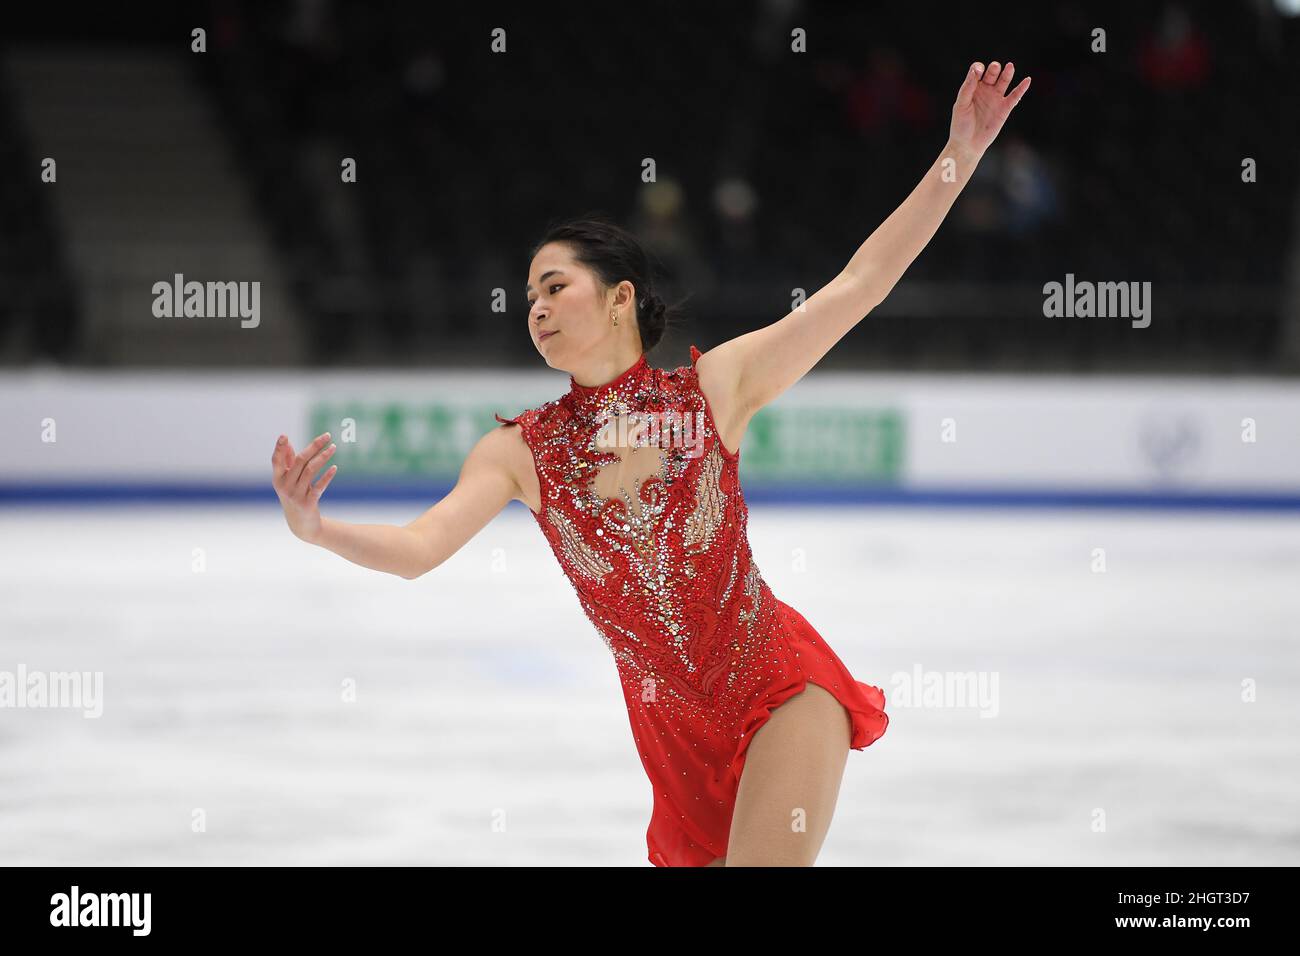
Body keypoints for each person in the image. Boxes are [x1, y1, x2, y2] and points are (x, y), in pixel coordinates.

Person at [272, 60, 1030, 866]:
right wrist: (316, 530)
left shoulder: (715, 389)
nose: (535, 305)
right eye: (529, 294)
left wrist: (960, 155)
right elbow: (420, 550)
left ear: (619, 298)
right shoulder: (520, 451)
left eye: (555, 286)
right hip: (673, 743)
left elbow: (861, 283)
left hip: (779, 688)